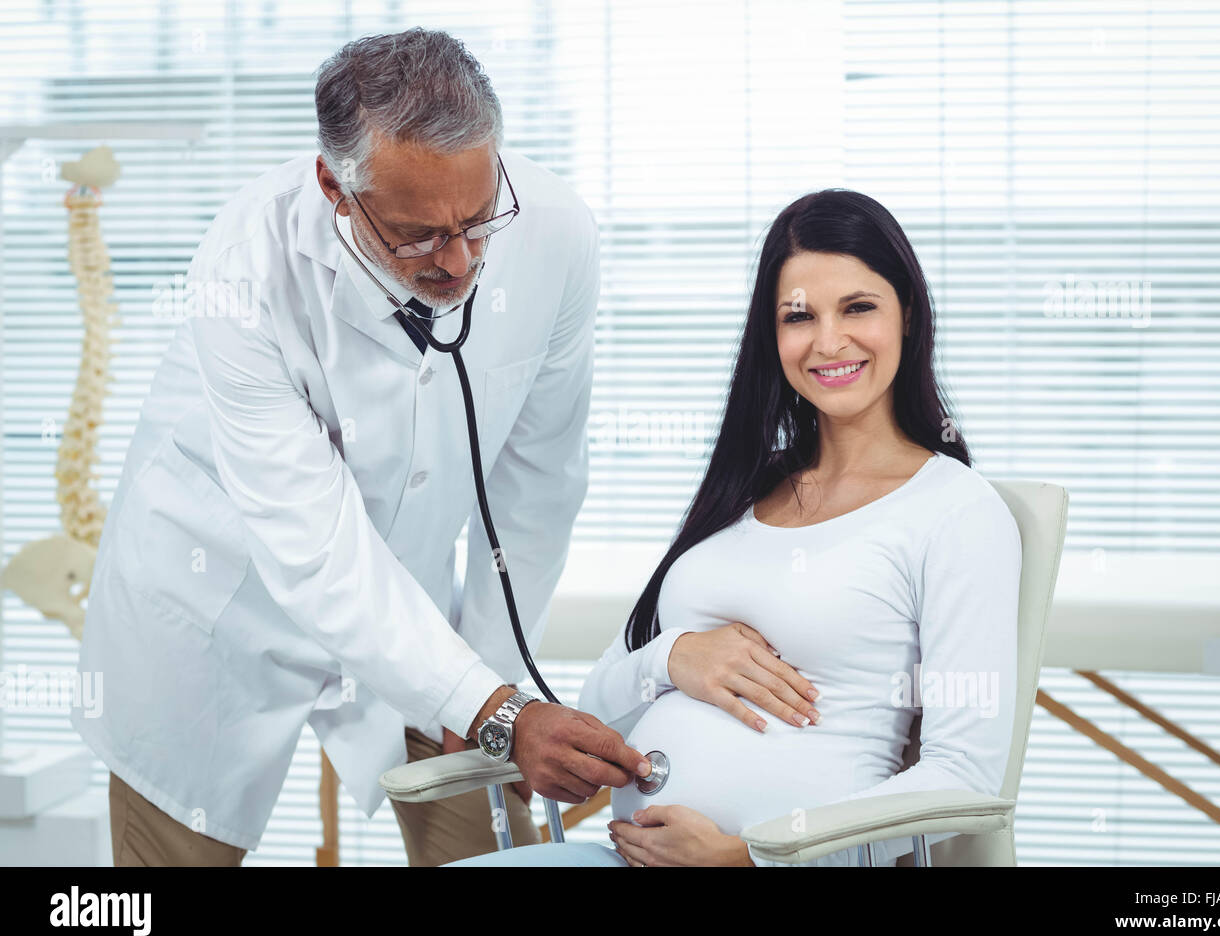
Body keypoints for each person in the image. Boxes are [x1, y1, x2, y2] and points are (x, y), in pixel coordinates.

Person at [71, 27, 654, 866]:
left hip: (412, 604)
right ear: (334, 188)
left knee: (486, 845)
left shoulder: (556, 234)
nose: (457, 262)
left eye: (479, 220)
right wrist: (494, 711)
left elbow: (539, 486)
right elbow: (312, 544)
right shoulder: (246, 268)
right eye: (416, 235)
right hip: (213, 608)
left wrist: (490, 690)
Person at [446, 188, 1022, 867]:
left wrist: (750, 858)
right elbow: (601, 707)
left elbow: (965, 779)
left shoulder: (956, 511)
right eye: (799, 316)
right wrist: (673, 657)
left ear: (909, 316)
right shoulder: (747, 487)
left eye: (859, 307)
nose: (829, 340)